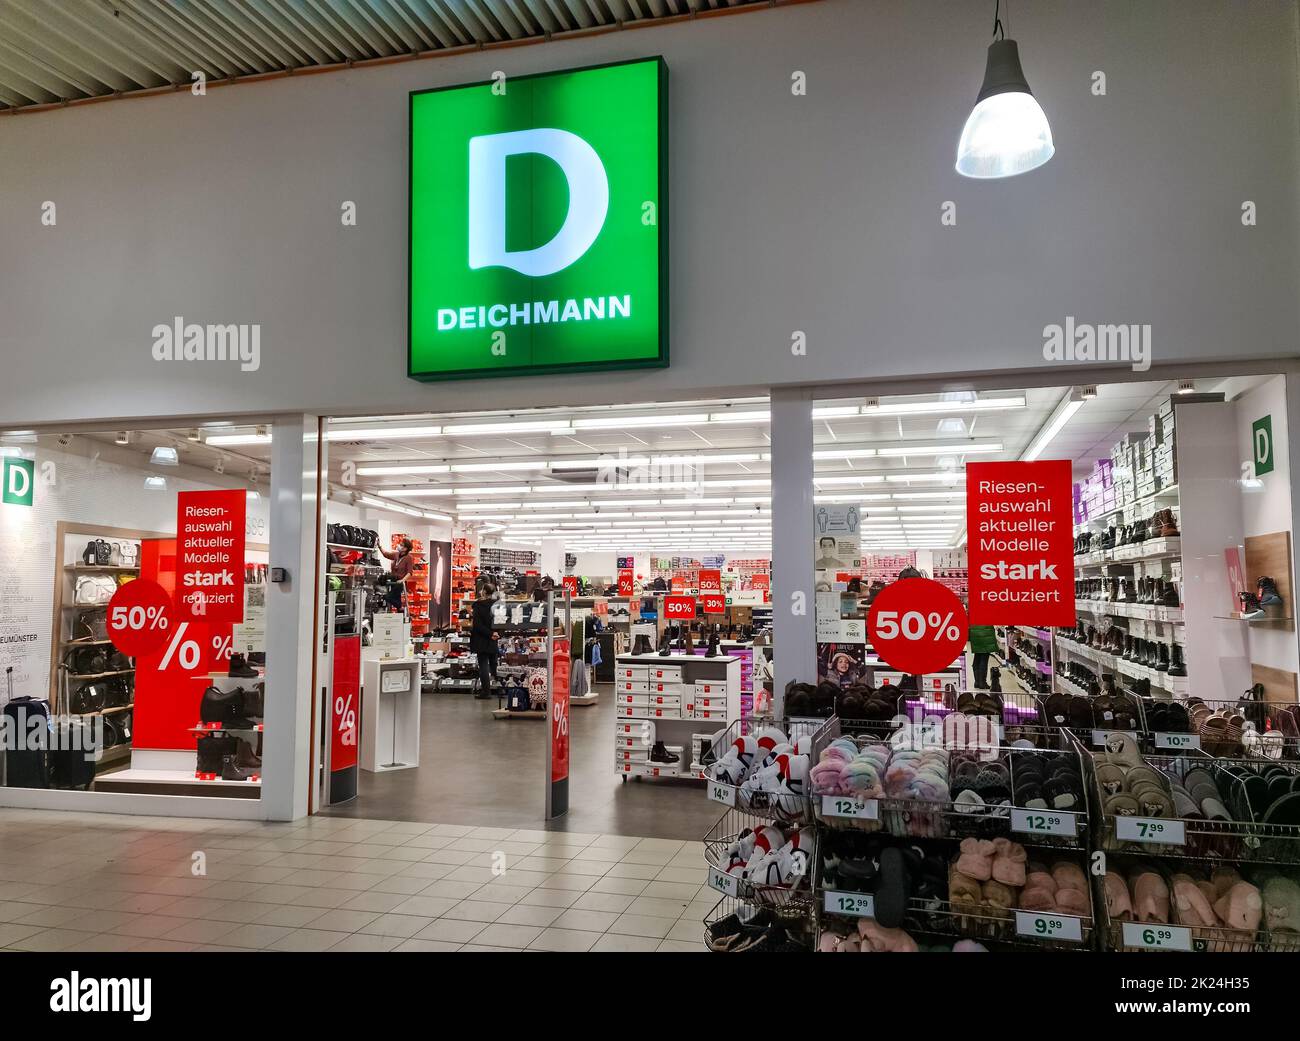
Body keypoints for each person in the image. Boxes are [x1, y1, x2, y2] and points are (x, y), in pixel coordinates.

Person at [471, 580, 499, 700]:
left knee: (483, 665)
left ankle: (486, 692)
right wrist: (496, 633)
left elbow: (477, 624)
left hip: (482, 638)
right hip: (493, 637)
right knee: (494, 664)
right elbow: (501, 620)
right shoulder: (497, 605)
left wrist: (489, 634)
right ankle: (500, 688)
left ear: (484, 592)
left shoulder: (478, 605)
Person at [376, 538, 416, 611]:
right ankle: (400, 610)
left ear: (405, 548)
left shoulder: (409, 558)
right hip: (393, 580)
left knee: (388, 597)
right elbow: (386, 554)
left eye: (401, 545)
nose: (399, 546)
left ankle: (401, 608)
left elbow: (410, 572)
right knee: (396, 599)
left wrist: (402, 580)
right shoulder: (396, 554)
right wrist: (379, 546)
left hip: (400, 582)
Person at [968, 624, 998, 690]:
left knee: (977, 656)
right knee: (984, 658)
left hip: (975, 631)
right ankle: (982, 683)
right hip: (986, 632)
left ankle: (977, 682)